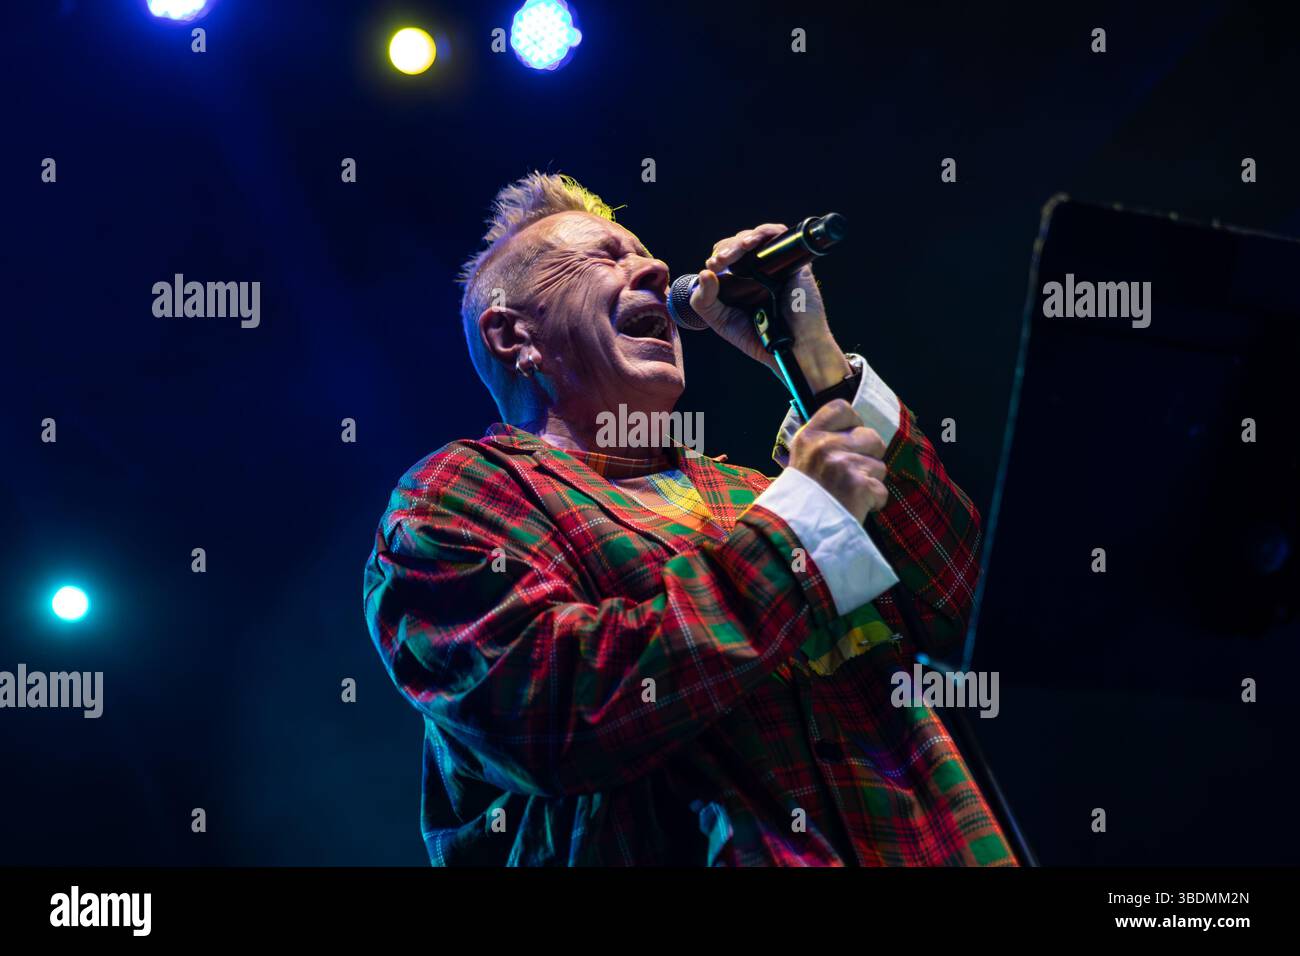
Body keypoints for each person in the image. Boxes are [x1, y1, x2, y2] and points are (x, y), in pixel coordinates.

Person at [362, 171, 1016, 866]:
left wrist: (814, 362)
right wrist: (796, 534)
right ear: (513, 334)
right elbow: (550, 716)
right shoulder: (458, 498)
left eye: (646, 255)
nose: (655, 270)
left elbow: (969, 606)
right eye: (604, 257)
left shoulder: (759, 493)